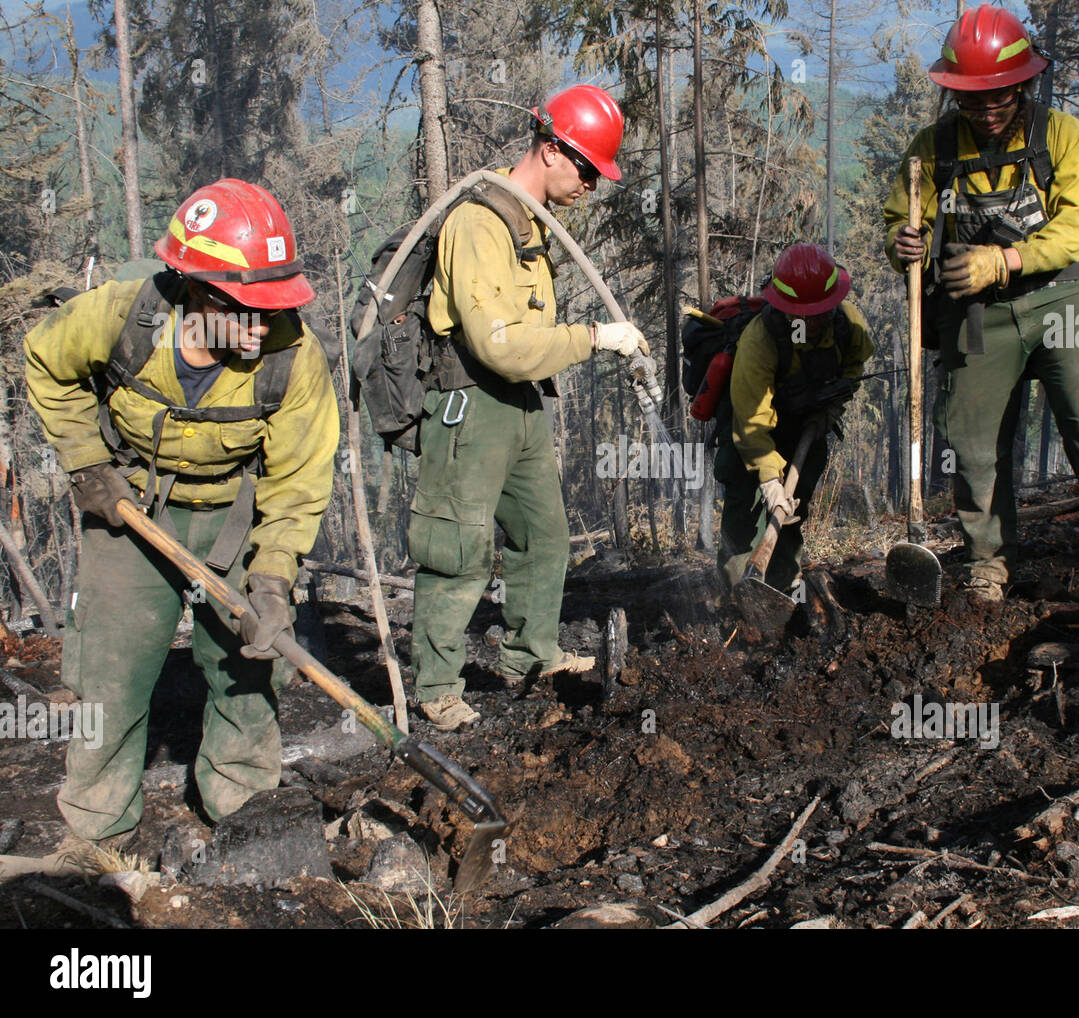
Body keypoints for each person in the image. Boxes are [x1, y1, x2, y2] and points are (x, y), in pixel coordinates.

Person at [24, 178, 339, 853]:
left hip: (236, 514)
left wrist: (274, 578)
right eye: (245, 309)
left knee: (249, 664)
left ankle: (247, 814)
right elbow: (46, 361)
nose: (261, 326)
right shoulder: (124, 316)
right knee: (110, 670)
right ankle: (94, 829)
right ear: (196, 291)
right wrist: (87, 467)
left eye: (270, 308)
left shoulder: (292, 356)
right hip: (130, 506)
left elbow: (299, 477)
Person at [882, 4, 1079, 615]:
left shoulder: (1061, 136)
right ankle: (988, 564)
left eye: (999, 98)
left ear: (1024, 85)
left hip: (1062, 294)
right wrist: (902, 242)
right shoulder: (930, 150)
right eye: (973, 100)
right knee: (973, 440)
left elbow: (1074, 232)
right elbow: (901, 217)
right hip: (977, 314)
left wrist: (1001, 261)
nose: (986, 111)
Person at [409, 84, 649, 732]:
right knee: (457, 547)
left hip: (518, 405)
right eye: (588, 169)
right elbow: (500, 344)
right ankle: (436, 687)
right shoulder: (478, 222)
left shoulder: (530, 227)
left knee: (542, 538)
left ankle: (528, 657)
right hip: (471, 402)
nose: (593, 186)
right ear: (549, 150)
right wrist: (595, 338)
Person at [715, 243, 873, 594]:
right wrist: (770, 480)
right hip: (749, 431)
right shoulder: (759, 341)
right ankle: (737, 594)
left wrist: (833, 406)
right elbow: (752, 422)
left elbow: (853, 367)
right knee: (745, 514)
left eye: (822, 312)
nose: (814, 322)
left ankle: (785, 588)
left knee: (791, 512)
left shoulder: (848, 324)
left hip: (806, 427)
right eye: (805, 315)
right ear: (785, 308)